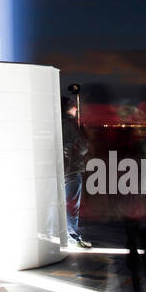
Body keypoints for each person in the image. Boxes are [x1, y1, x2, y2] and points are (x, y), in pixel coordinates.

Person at [62, 98, 92, 248]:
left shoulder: (58, 123)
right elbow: (83, 147)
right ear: (75, 108)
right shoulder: (75, 125)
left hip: (60, 169)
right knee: (72, 206)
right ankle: (73, 238)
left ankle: (65, 236)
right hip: (72, 169)